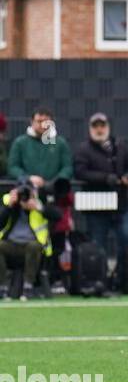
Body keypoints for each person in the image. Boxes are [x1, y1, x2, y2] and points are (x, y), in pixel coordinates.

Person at [8, 107, 74, 290]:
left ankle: (56, 279)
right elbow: (12, 167)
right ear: (32, 121)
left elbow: (68, 168)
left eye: (46, 121)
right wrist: (28, 179)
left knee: (58, 238)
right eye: (38, 120)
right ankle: (30, 280)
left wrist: (52, 183)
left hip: (54, 198)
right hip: (28, 198)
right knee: (30, 237)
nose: (42, 125)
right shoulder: (21, 143)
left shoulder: (59, 143)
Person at [73, 112, 128, 290]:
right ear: (90, 128)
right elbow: (80, 172)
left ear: (108, 126)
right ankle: (99, 280)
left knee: (127, 240)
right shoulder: (83, 149)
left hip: (120, 205)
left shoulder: (119, 145)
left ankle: (121, 277)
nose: (99, 129)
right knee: (97, 245)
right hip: (97, 205)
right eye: (96, 126)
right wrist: (105, 177)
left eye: (102, 125)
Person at [0, 185, 61, 300]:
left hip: (33, 246)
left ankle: (28, 286)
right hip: (11, 244)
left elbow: (58, 215)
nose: (24, 198)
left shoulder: (39, 203)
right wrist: (8, 207)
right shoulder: (9, 203)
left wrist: (39, 207)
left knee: (33, 246)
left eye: (26, 195)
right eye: (21, 195)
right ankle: (2, 287)